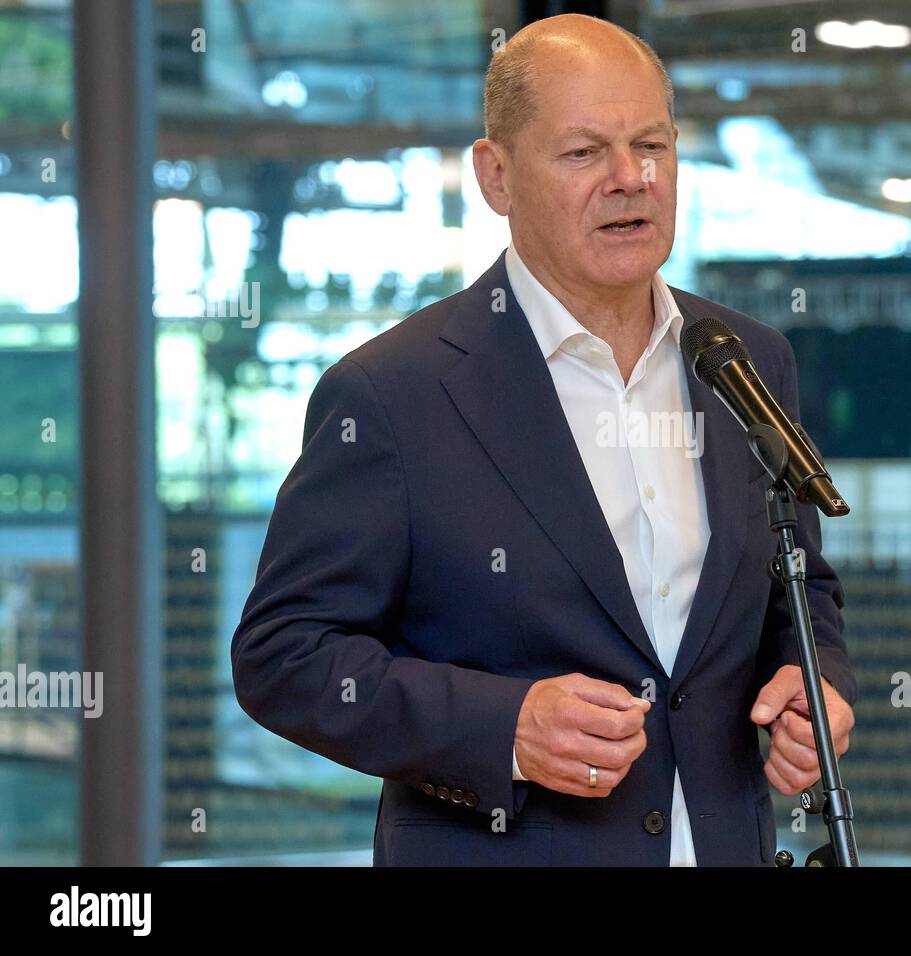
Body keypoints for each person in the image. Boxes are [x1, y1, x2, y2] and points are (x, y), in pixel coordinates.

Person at [231, 13, 856, 867]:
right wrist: (506, 729)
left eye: (652, 145)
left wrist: (811, 685)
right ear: (496, 176)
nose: (630, 179)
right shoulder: (391, 394)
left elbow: (800, 587)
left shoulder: (746, 361)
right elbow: (285, 655)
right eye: (583, 153)